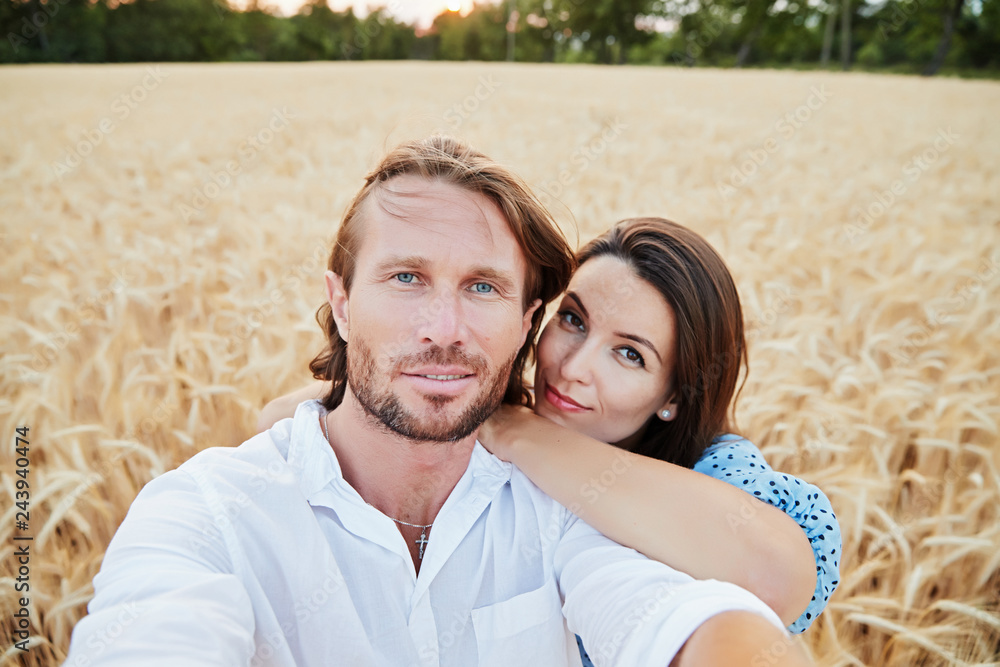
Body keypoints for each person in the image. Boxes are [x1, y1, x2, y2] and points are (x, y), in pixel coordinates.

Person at [66, 137, 807, 667]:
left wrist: (511, 430)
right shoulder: (204, 517)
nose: (444, 331)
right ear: (341, 301)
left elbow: (716, 623)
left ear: (521, 321)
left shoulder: (581, 512)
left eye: (483, 286)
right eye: (406, 278)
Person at [259, 217, 842, 663]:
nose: (573, 367)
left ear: (675, 396)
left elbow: (777, 577)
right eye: (574, 321)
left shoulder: (717, 473)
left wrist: (519, 432)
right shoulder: (490, 419)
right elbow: (280, 420)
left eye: (629, 354)